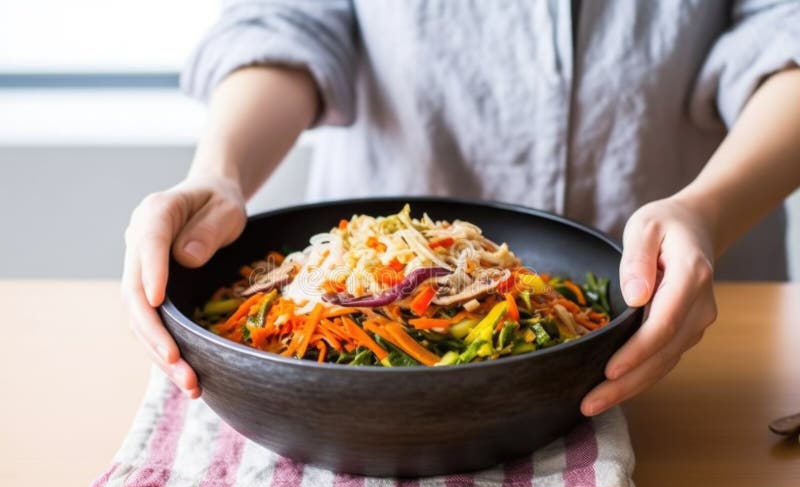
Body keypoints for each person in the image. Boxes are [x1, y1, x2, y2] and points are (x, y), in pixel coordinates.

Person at [122, 1, 800, 416]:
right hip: (333, 337)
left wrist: (706, 209)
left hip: (689, 323)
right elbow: (287, 20)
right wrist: (221, 173)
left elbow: (786, 29)